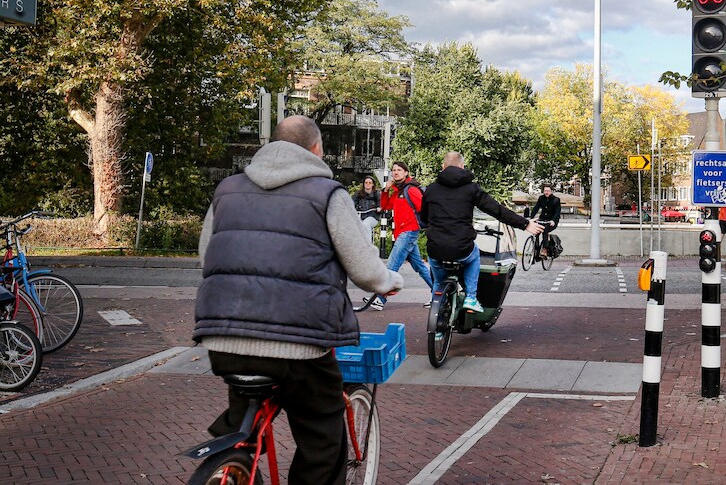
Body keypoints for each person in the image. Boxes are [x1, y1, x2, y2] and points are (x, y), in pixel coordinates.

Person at [194, 115, 402, 485]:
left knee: (246, 419)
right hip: (301, 346)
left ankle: (234, 464)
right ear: (316, 149)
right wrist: (389, 282)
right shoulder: (328, 193)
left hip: (224, 338)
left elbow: (206, 256)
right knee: (323, 435)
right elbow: (365, 268)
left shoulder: (226, 190)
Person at [421, 151, 543, 313]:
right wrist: (525, 224)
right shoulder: (471, 188)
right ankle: (471, 297)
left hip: (435, 248)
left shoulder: (431, 189)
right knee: (474, 256)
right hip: (462, 248)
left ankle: (436, 307)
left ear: (443, 167)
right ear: (462, 167)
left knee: (438, 277)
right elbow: (496, 210)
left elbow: (423, 218)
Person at [374, 161, 433, 310]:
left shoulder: (411, 189)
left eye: (399, 170)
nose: (395, 172)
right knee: (419, 266)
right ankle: (439, 293)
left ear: (406, 172)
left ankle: (380, 298)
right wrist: (386, 190)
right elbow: (386, 206)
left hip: (409, 231)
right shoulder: (398, 190)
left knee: (393, 264)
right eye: (394, 170)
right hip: (401, 232)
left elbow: (424, 208)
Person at [529, 183, 561, 258]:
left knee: (545, 231)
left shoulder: (556, 200)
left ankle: (545, 249)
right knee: (536, 231)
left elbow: (557, 212)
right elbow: (536, 208)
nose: (546, 192)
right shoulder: (541, 198)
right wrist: (531, 218)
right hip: (542, 219)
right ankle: (536, 249)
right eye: (545, 190)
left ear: (552, 191)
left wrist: (553, 220)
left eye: (548, 191)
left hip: (551, 221)